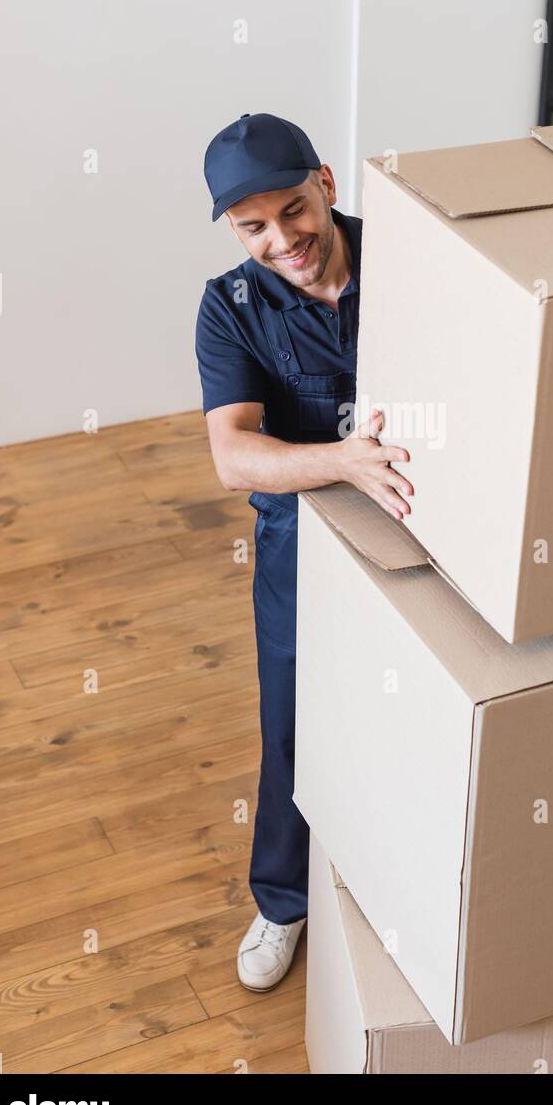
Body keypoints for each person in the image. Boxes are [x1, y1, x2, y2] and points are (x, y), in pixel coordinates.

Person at [195, 112, 413, 991]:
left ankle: (403, 886)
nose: (282, 239)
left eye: (293, 209)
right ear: (231, 229)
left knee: (417, 711)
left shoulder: (410, 253)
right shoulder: (230, 306)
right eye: (254, 227)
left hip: (425, 519)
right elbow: (232, 453)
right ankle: (284, 902)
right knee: (292, 718)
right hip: (303, 539)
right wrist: (340, 464)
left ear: (324, 180)